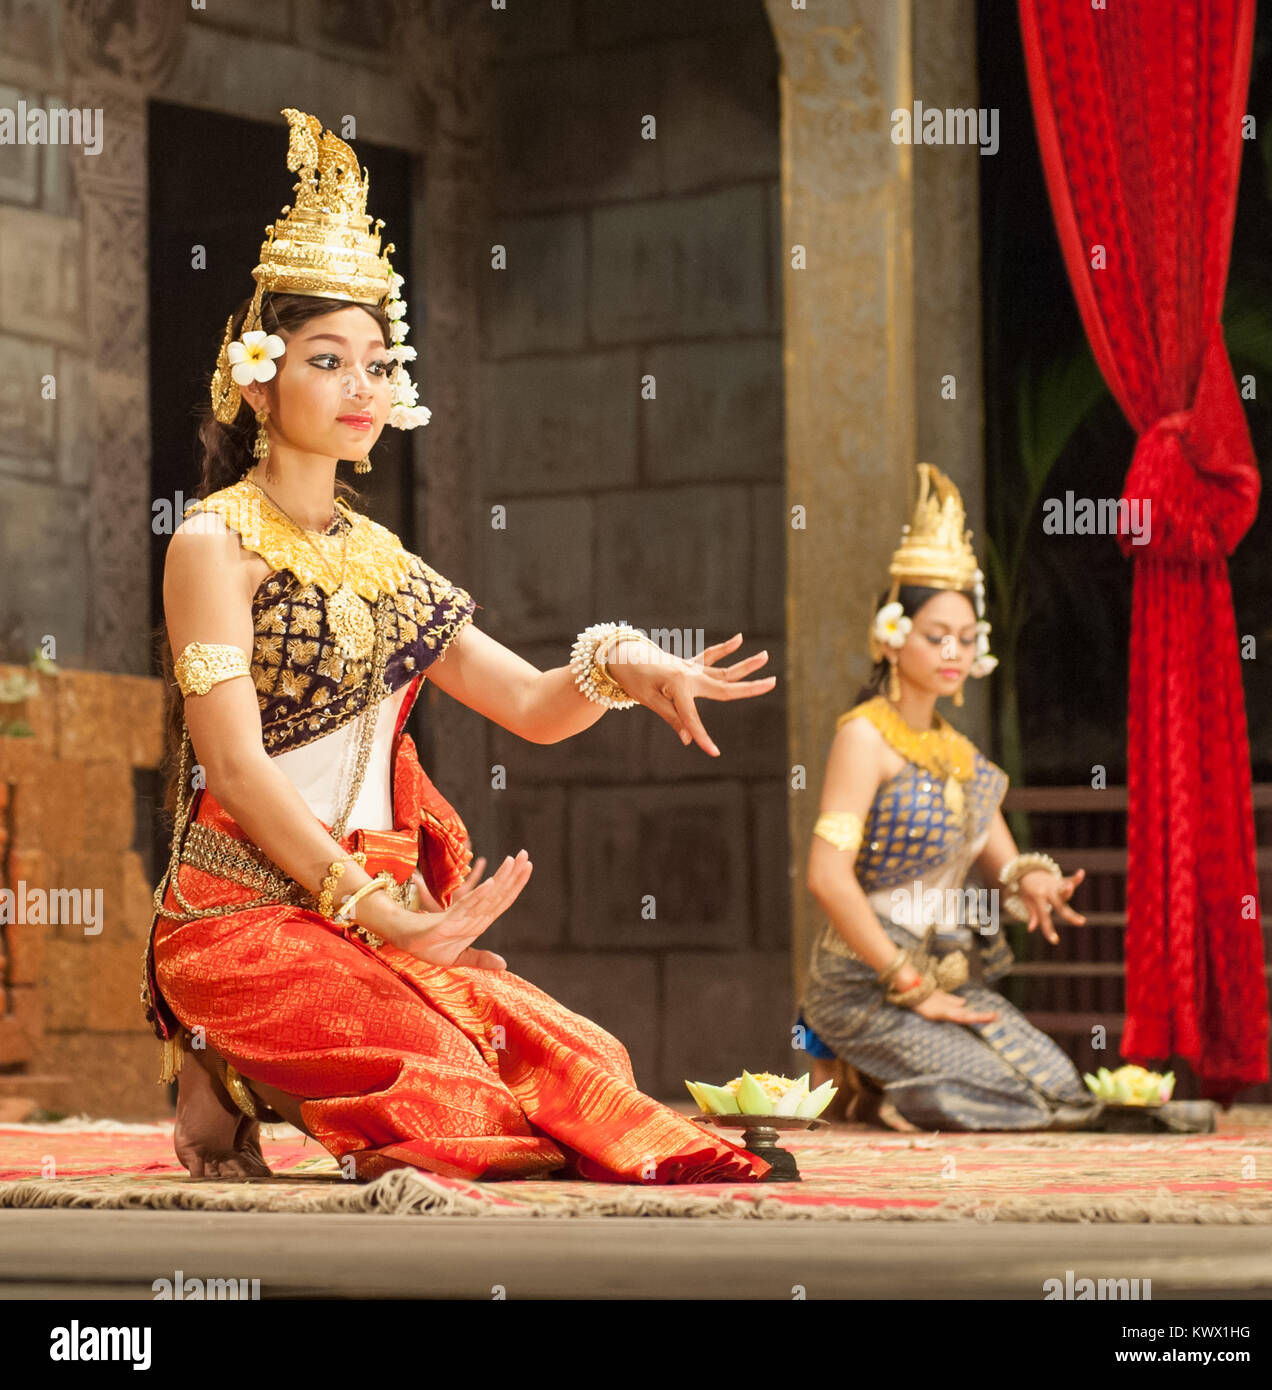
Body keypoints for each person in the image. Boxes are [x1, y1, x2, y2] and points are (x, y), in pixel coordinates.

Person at [140, 108, 778, 1184]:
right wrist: (377, 907)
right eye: (328, 360)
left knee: (587, 1068)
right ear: (257, 379)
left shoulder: (386, 559)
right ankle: (218, 1058)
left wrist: (622, 662)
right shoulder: (214, 543)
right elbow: (239, 771)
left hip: (373, 919)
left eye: (378, 365)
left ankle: (254, 1074)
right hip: (245, 914)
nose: (361, 388)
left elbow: (530, 701)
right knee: (455, 1100)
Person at [794, 465, 1104, 1132]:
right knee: (1016, 1102)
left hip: (952, 973)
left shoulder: (960, 756)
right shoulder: (865, 737)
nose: (953, 652)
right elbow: (826, 876)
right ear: (894, 632)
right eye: (937, 636)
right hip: (866, 980)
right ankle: (877, 1091)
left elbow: (1008, 868)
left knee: (1064, 1093)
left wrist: (1038, 879)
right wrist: (910, 984)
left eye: (966, 639)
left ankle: (883, 1094)